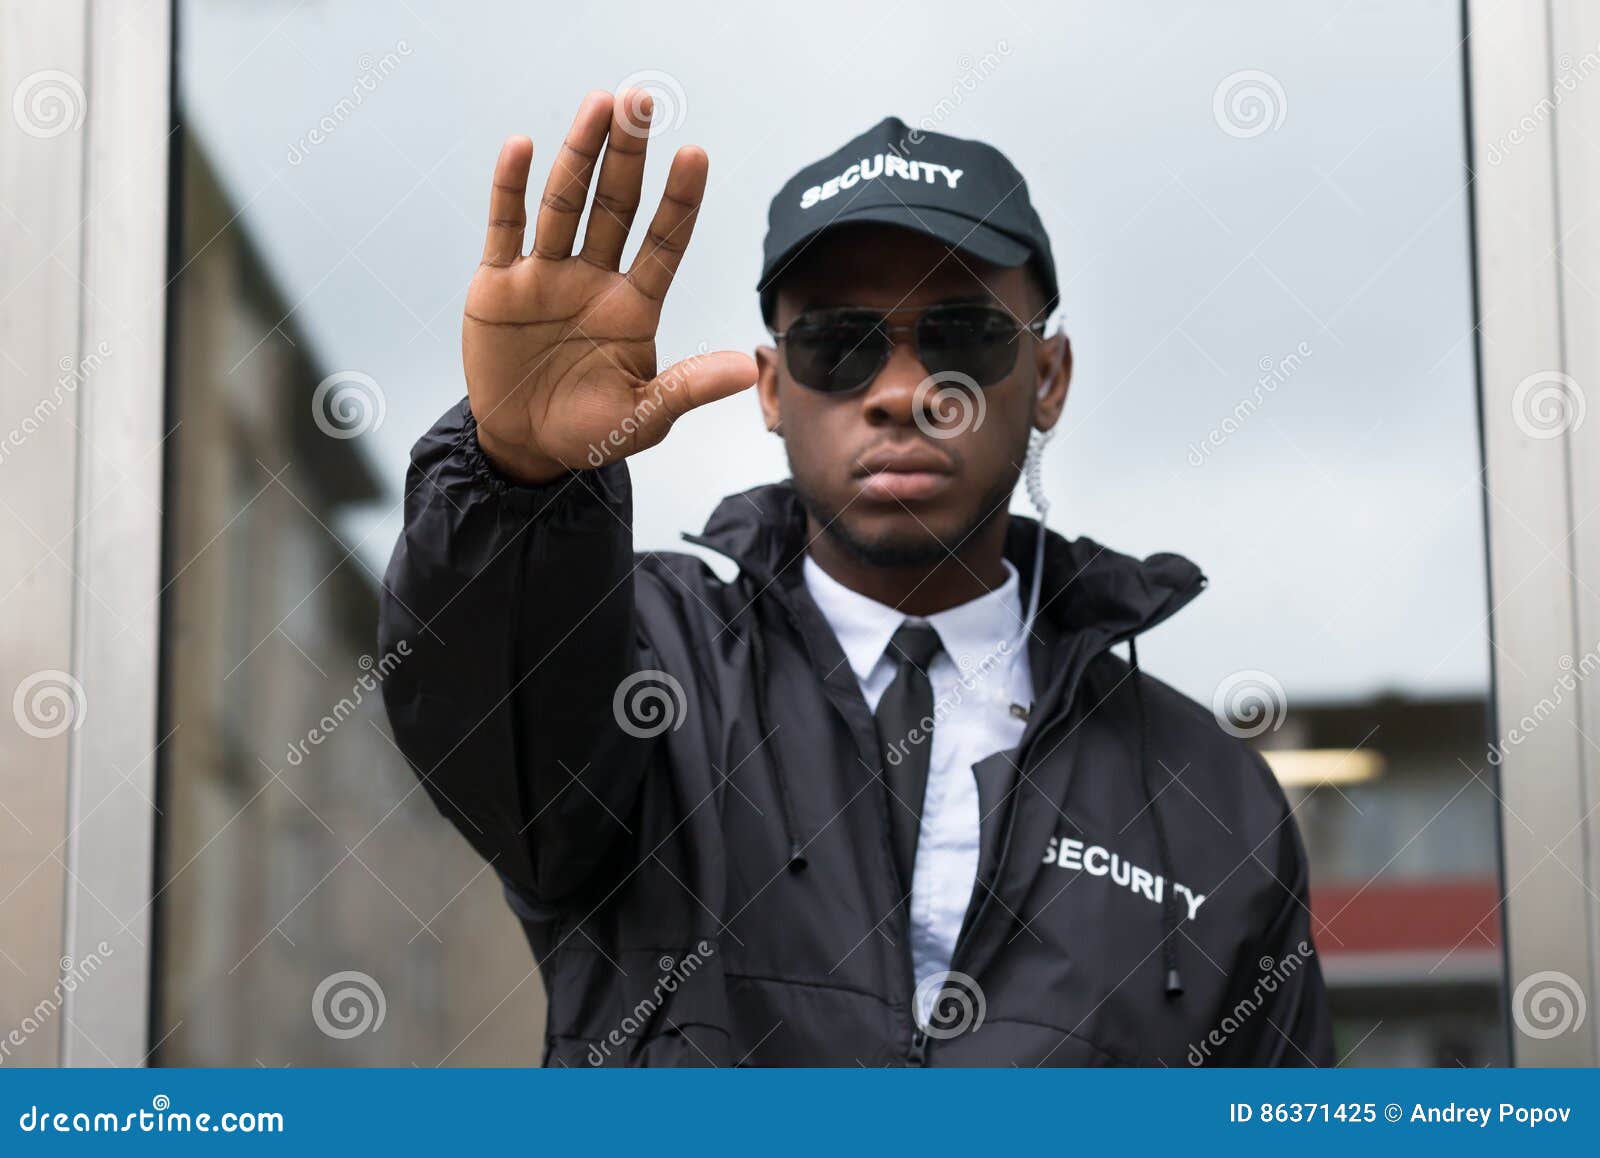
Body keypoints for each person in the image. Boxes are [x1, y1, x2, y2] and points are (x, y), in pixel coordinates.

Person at [378, 89, 1333, 1067]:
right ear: (769, 388)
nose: (900, 391)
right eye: (839, 347)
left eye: (962, 337)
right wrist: (519, 483)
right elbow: (484, 721)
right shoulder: (642, 659)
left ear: (1048, 378)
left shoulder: (1205, 790)